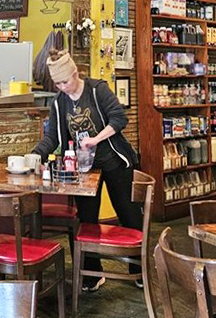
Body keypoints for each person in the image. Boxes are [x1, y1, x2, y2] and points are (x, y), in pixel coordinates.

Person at [32, 50, 141, 292]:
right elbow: (52, 137)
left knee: (129, 214)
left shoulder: (96, 90)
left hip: (114, 160)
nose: (63, 87)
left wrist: (95, 139)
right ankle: (92, 275)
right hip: (84, 169)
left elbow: (119, 118)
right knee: (86, 221)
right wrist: (34, 155)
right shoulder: (59, 103)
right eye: (58, 84)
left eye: (66, 81)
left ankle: (139, 270)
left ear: (75, 73)